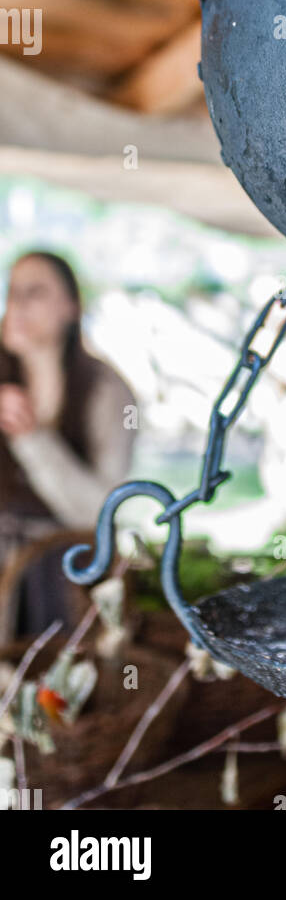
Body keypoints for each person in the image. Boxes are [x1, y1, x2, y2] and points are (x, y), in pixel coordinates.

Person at [0, 251, 135, 635]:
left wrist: (32, 439)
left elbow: (98, 514)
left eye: (35, 291)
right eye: (13, 291)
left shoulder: (108, 392)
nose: (17, 303)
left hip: (61, 581)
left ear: (71, 306)